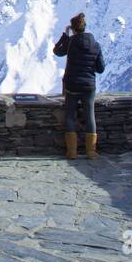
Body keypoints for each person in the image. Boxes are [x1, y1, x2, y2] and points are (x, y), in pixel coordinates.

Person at [53, 12, 105, 159]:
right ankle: (91, 151)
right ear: (85, 26)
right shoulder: (96, 45)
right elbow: (100, 68)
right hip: (89, 85)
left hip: (72, 85)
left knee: (70, 115)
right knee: (90, 116)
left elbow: (57, 51)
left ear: (73, 28)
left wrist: (65, 35)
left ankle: (72, 152)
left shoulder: (71, 42)